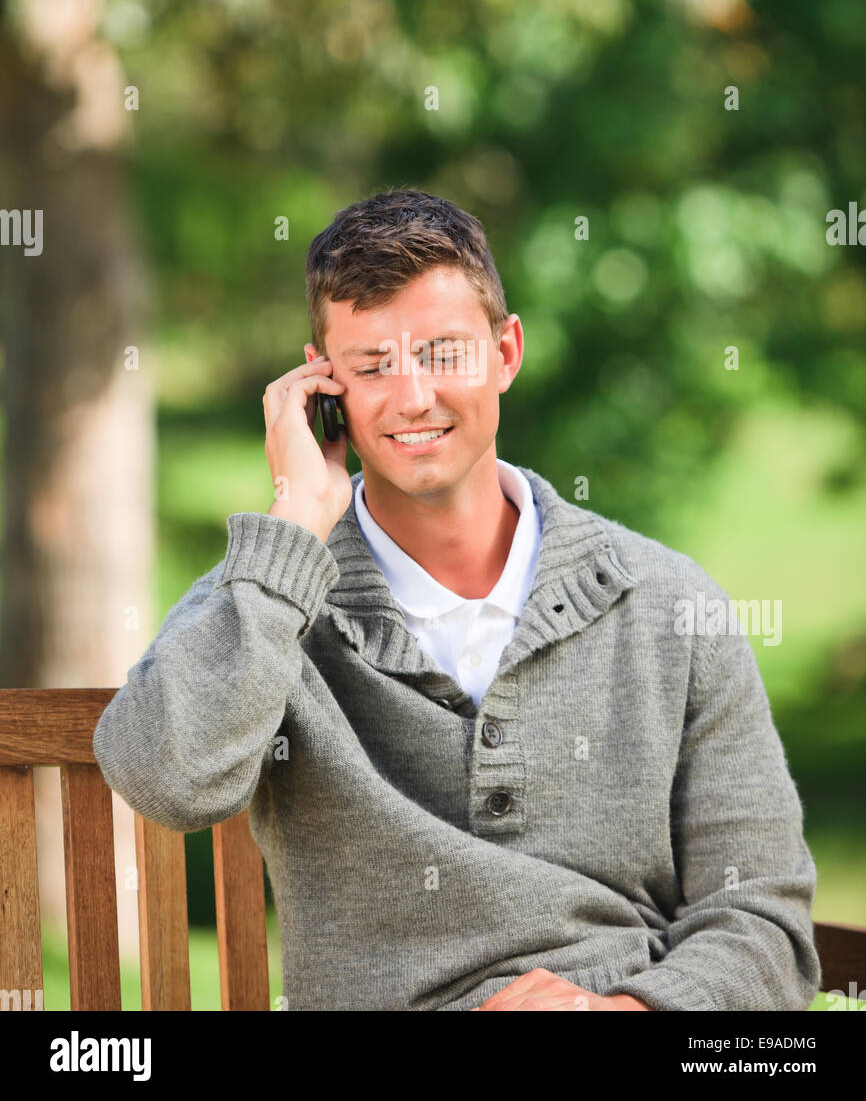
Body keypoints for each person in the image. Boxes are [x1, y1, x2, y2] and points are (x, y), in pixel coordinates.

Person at [93, 187, 821, 1012]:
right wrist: (296, 518)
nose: (411, 397)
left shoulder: (670, 608)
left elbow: (764, 920)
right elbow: (168, 782)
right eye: (371, 366)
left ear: (507, 352)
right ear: (322, 385)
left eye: (443, 354)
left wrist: (622, 1014)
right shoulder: (273, 598)